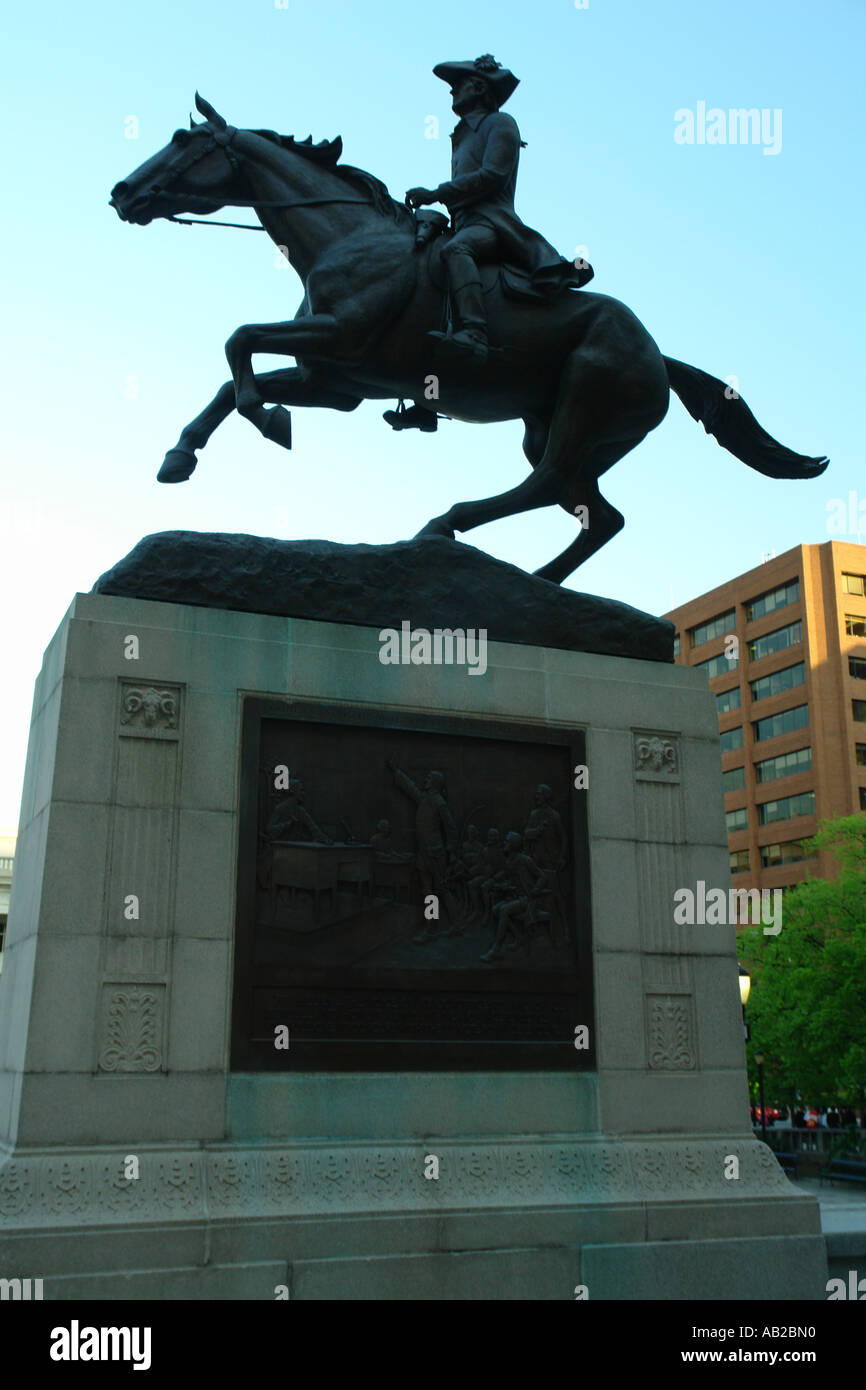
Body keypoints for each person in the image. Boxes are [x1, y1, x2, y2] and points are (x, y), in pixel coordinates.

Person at [405, 54, 589, 364]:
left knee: (456, 251)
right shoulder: (462, 134)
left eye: (459, 85)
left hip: (491, 225)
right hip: (462, 222)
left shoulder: (501, 123)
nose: (452, 91)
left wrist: (436, 193)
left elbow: (493, 176)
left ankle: (475, 333)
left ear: (478, 88)